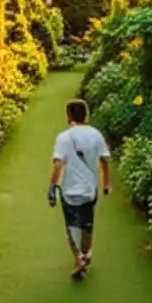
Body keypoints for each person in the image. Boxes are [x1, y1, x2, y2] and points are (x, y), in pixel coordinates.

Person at [47, 99, 112, 279]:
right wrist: (107, 182)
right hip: (90, 189)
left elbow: (59, 163)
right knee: (87, 222)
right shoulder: (96, 134)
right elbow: (105, 159)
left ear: (69, 116)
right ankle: (86, 253)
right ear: (86, 115)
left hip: (69, 190)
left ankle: (78, 258)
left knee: (71, 225)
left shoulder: (63, 138)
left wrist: (52, 186)